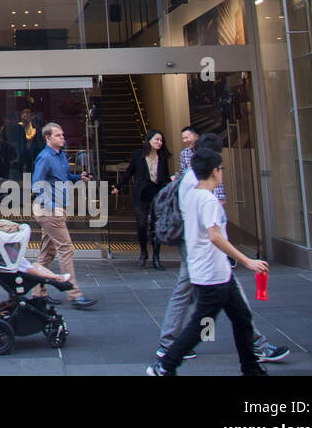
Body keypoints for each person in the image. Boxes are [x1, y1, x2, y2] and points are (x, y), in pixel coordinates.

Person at [155, 131, 289, 364]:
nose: (220, 167)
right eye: (218, 160)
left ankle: (168, 346)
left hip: (197, 248)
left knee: (189, 296)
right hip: (205, 252)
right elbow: (214, 234)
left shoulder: (190, 178)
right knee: (216, 303)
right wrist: (247, 261)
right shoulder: (200, 187)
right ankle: (258, 346)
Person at [31, 123, 97, 309]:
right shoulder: (44, 157)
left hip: (57, 209)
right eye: (58, 135)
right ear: (48, 138)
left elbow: (65, 176)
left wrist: (79, 178)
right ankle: (74, 294)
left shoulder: (60, 156)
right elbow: (37, 185)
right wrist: (52, 207)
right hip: (50, 211)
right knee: (66, 249)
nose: (63, 137)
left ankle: (38, 294)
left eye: (62, 134)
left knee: (47, 253)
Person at [111, 130, 172, 269]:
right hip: (141, 194)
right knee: (142, 224)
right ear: (149, 140)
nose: (159, 143)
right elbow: (129, 171)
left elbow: (166, 176)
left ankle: (156, 257)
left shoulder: (162, 157)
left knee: (156, 226)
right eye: (157, 140)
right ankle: (143, 252)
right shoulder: (138, 155)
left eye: (161, 141)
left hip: (157, 194)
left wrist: (171, 180)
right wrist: (118, 186)